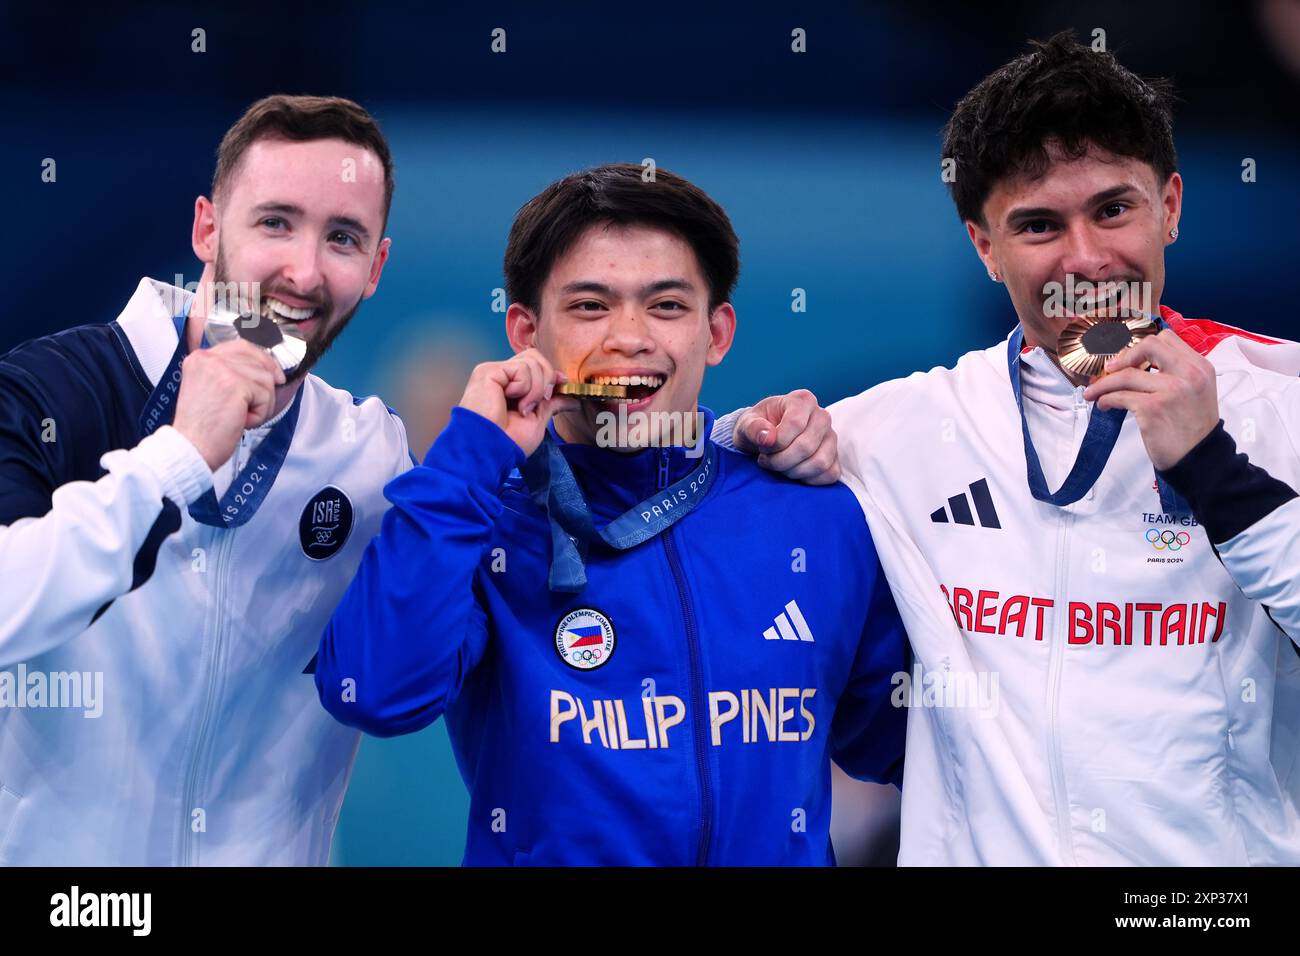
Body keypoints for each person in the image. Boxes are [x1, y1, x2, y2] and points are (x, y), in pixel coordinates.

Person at [725, 31, 1300, 865]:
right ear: (984, 248)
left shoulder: (1282, 399)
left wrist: (1215, 471)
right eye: (1038, 225)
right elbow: (696, 470)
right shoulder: (901, 429)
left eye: (1113, 208)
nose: (1085, 259)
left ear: (1170, 206)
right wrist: (757, 430)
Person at [315, 163, 908, 865]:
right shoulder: (485, 524)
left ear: (717, 333)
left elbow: (897, 743)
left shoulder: (812, 514)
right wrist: (470, 456)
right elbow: (375, 693)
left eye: (666, 306)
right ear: (526, 333)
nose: (629, 337)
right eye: (591, 306)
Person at [0, 95, 411, 864]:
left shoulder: (369, 454)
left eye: (343, 238)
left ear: (376, 269)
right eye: (276, 222)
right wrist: (178, 456)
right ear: (207, 229)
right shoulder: (47, 394)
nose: (304, 271)